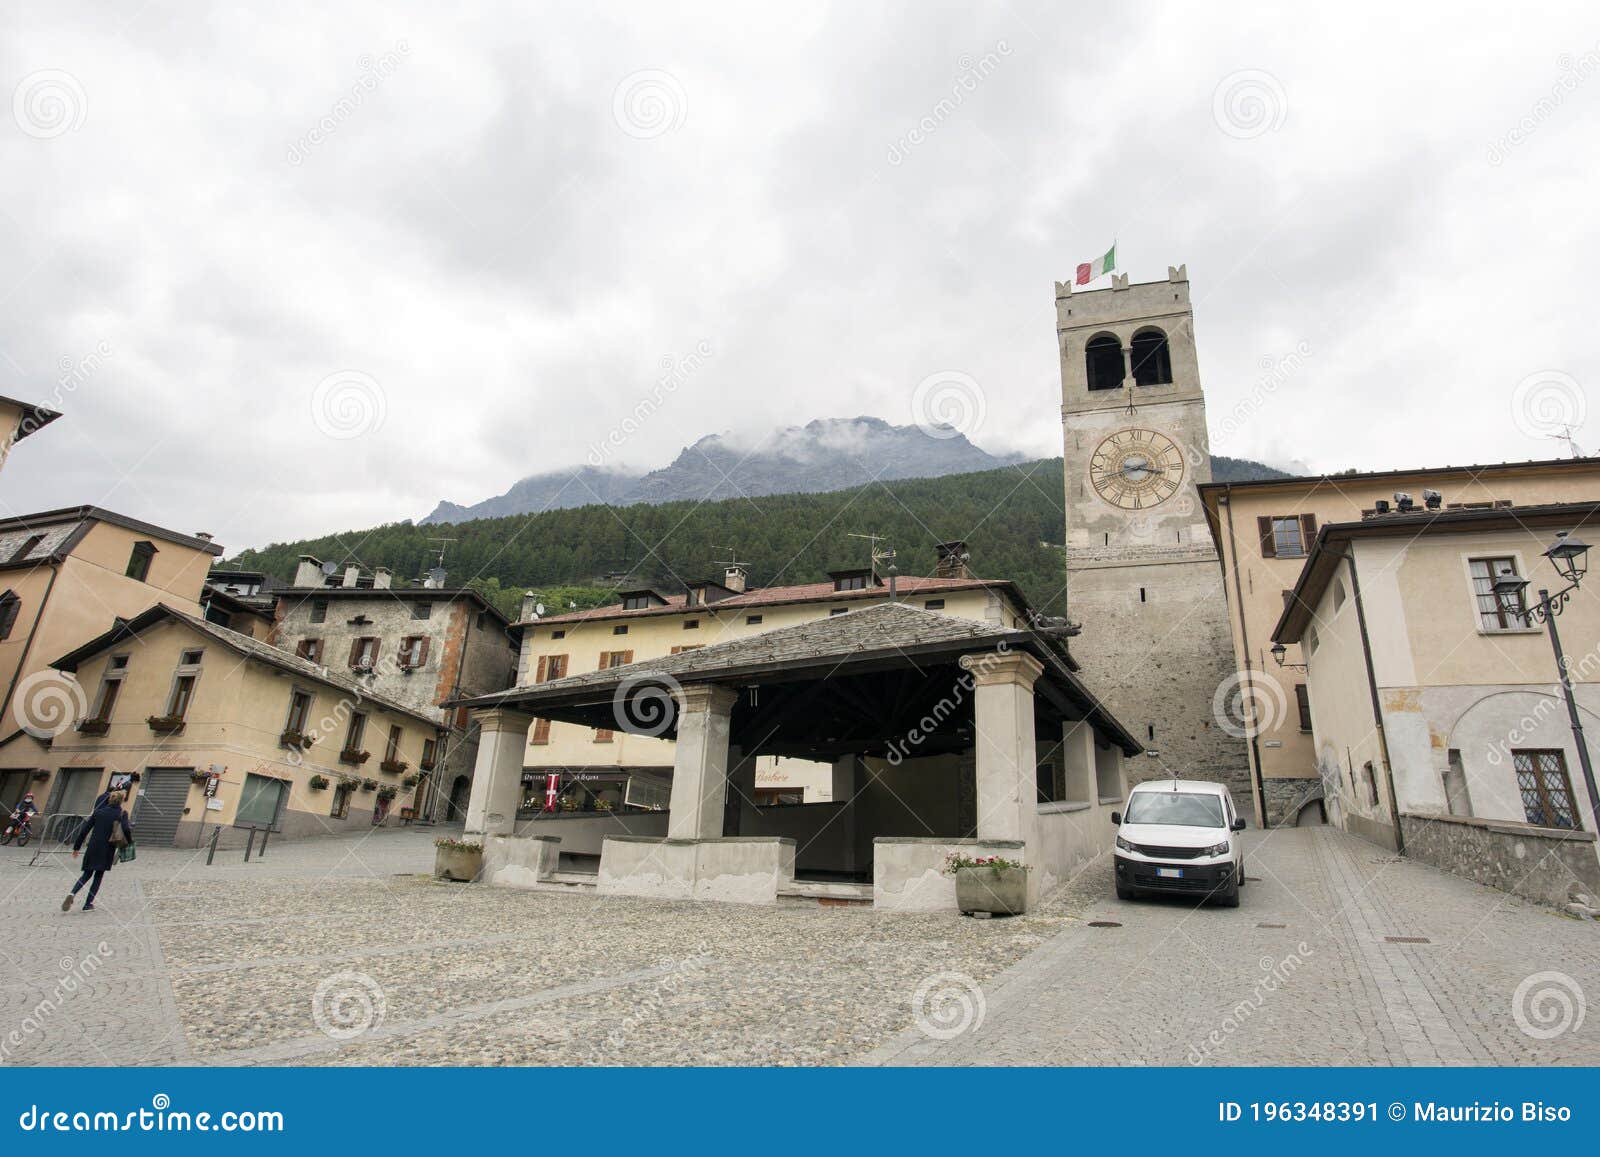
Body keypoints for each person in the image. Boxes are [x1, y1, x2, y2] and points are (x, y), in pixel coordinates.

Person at [63, 790, 133, 913]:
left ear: (109, 800)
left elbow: (84, 830)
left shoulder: (98, 812)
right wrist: (129, 842)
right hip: (107, 848)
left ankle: (72, 893)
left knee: (86, 874)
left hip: (93, 846)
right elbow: (126, 829)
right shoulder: (122, 814)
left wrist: (76, 847)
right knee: (98, 876)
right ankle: (88, 904)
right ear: (121, 801)